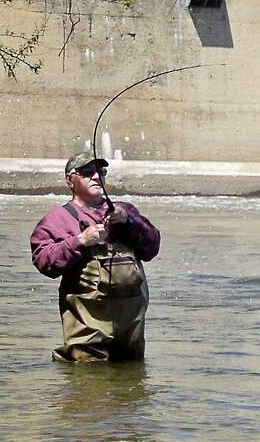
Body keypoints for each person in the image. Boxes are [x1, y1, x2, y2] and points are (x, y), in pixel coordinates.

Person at [30, 152, 161, 362]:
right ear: (70, 180)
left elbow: (152, 247)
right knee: (87, 387)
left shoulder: (124, 210)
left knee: (133, 387)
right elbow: (44, 261)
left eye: (101, 172)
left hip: (131, 332)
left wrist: (129, 222)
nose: (96, 177)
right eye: (88, 172)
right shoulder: (58, 219)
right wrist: (80, 241)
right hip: (87, 330)